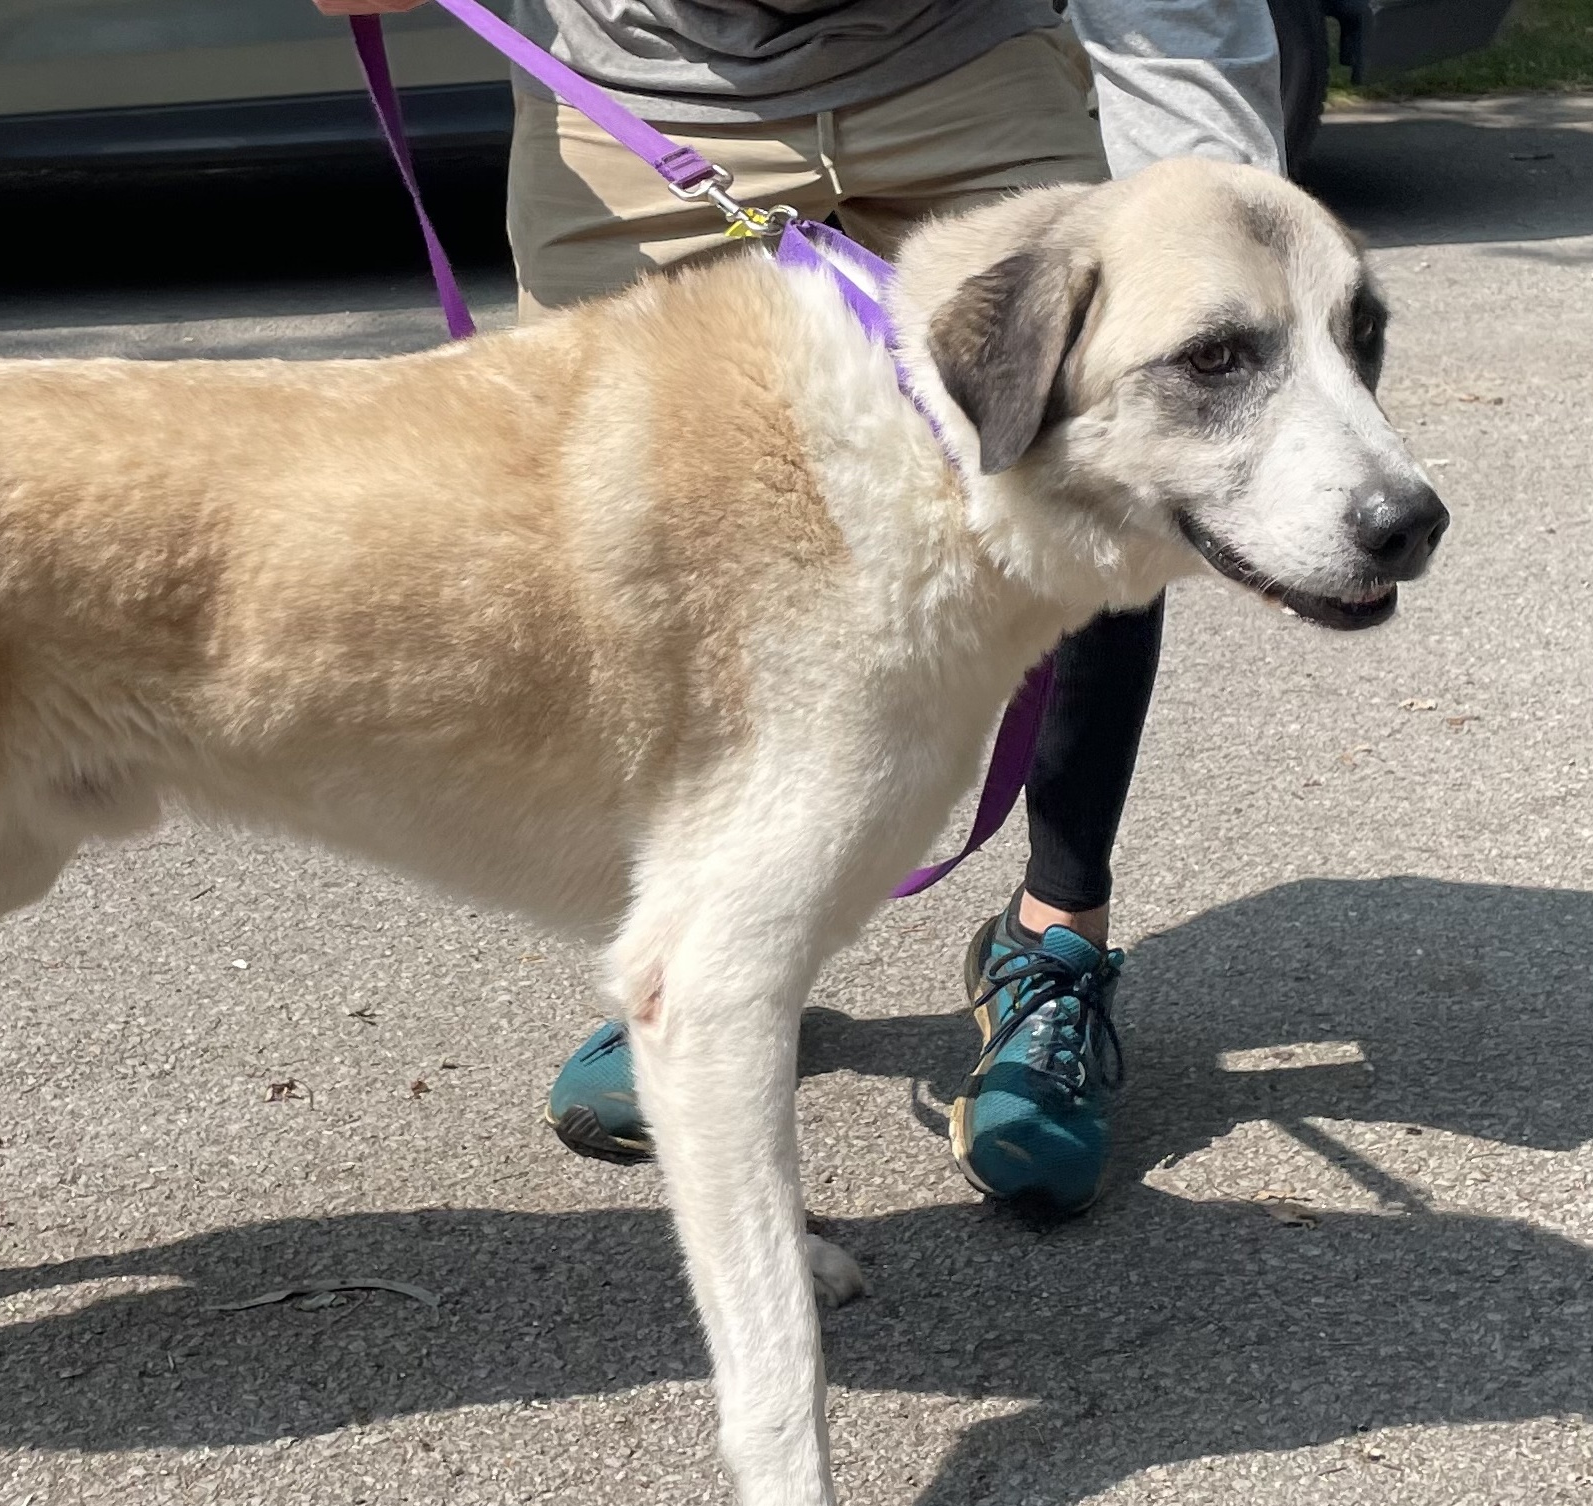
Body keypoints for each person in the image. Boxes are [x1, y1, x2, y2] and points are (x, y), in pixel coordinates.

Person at [316, 0, 1285, 1214]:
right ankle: (699, 958)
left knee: (1090, 479)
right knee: (618, 547)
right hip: (639, 87)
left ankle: (1052, 944)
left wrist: (1206, 220)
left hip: (961, 67)